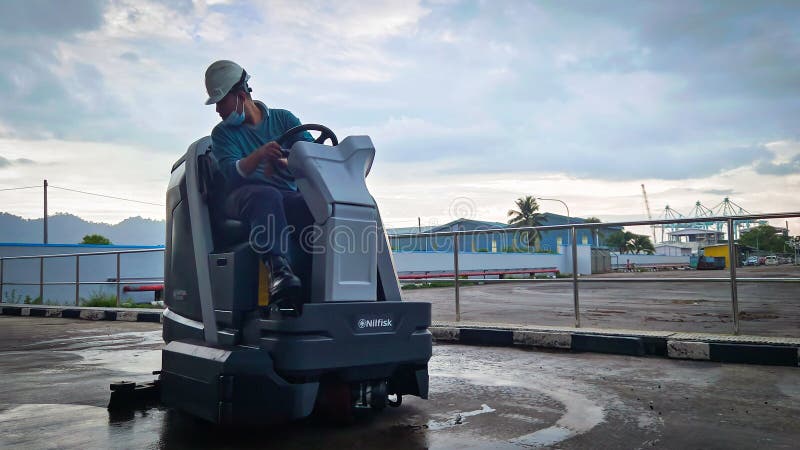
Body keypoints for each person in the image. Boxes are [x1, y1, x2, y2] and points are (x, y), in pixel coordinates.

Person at [204, 60, 314, 308]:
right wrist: (261, 155)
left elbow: (311, 155)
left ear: (241, 96)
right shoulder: (222, 134)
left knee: (309, 204)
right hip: (241, 196)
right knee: (266, 195)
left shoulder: (284, 119)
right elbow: (232, 172)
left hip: (285, 194)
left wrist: (283, 162)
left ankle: (315, 281)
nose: (218, 109)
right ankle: (279, 272)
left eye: (221, 101)